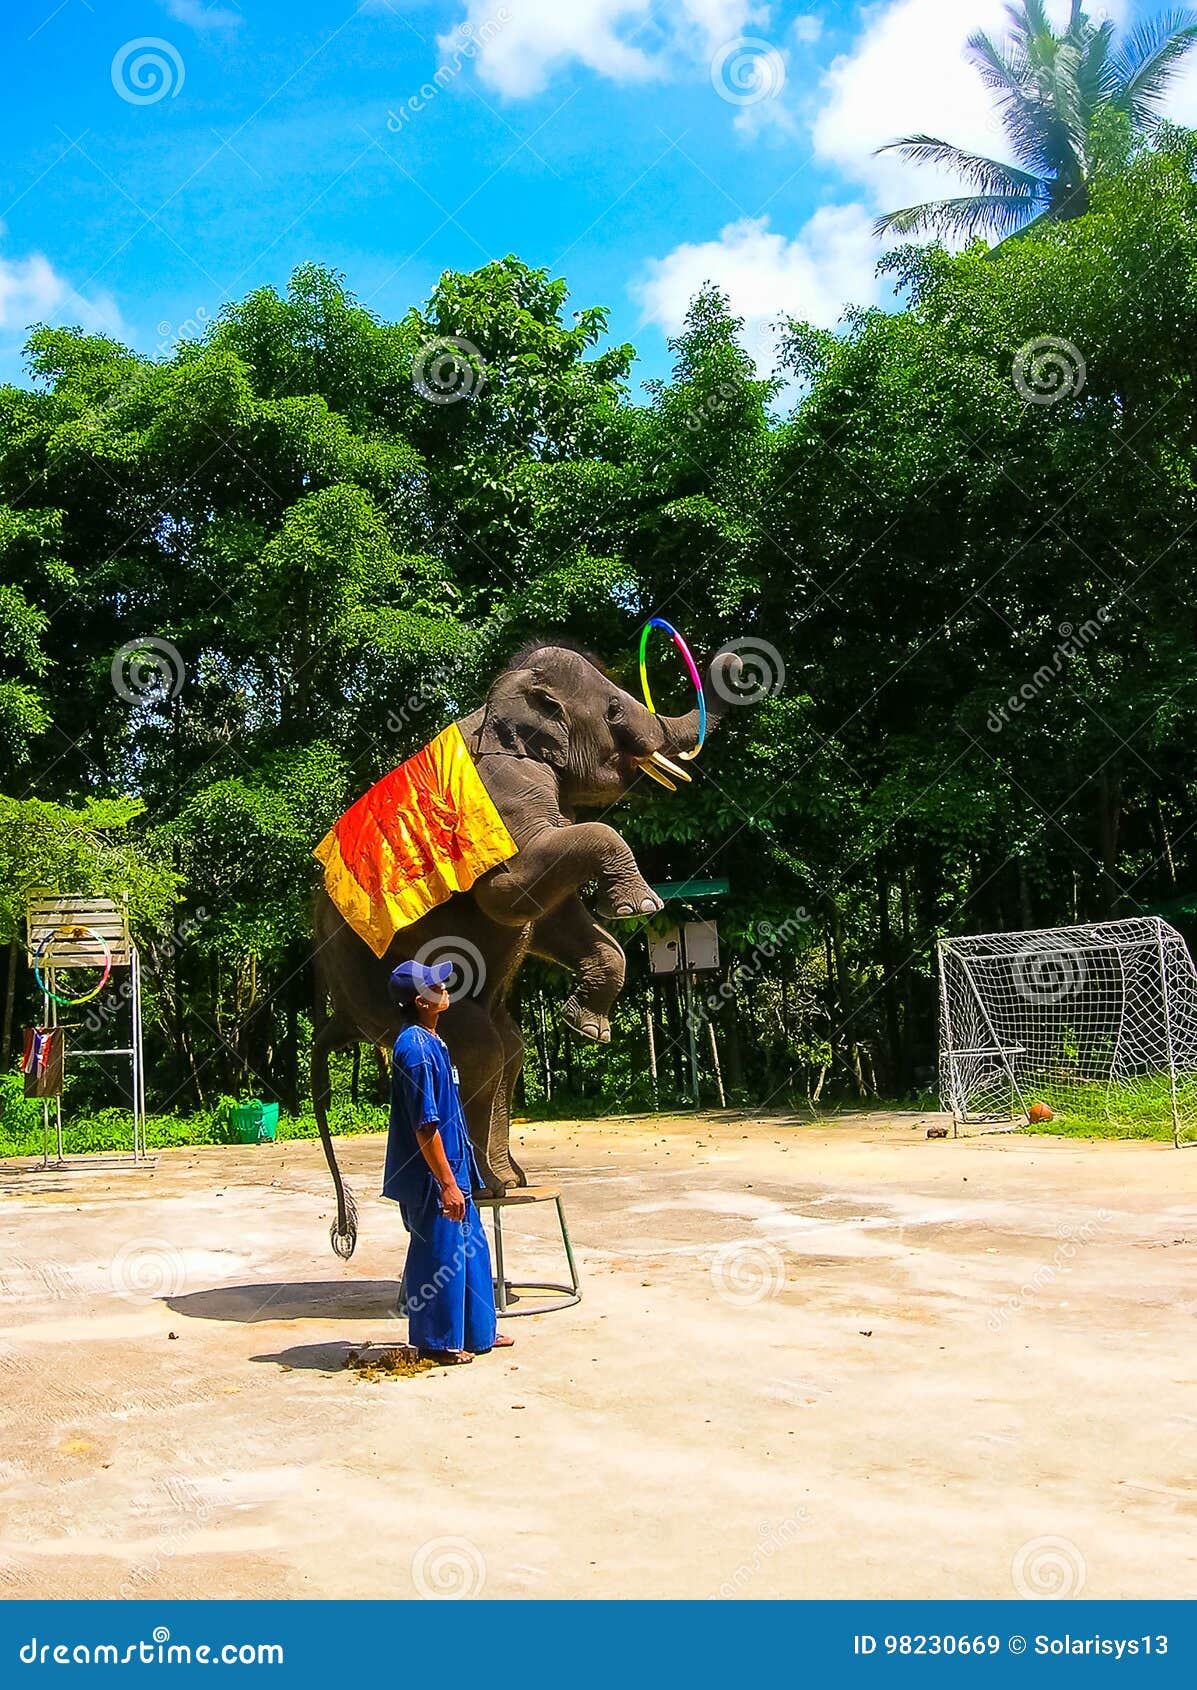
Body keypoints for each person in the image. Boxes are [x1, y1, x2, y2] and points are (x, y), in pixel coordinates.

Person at [382, 959, 514, 1365]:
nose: (444, 988)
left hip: (455, 1166)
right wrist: (446, 1184)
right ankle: (436, 1342)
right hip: (432, 1177)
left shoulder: (432, 1041)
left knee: (470, 1251)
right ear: (420, 1001)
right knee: (437, 1257)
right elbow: (425, 1126)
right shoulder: (415, 1050)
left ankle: (478, 1333)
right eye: (434, 985)